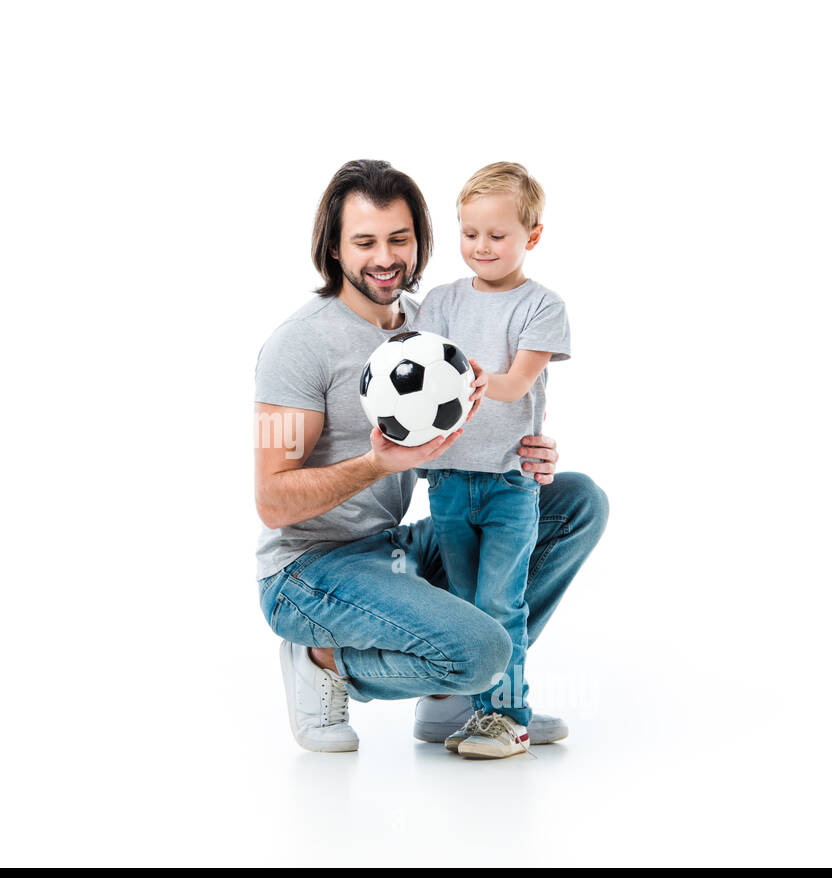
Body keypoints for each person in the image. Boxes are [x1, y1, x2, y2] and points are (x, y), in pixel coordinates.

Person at [254, 159, 607, 754]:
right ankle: (326, 659)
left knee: (576, 502)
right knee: (484, 649)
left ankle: (473, 706)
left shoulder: (432, 326)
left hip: (395, 548)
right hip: (310, 569)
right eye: (364, 241)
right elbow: (270, 501)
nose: (385, 257)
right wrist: (374, 466)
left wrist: (524, 447)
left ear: (421, 240)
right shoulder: (297, 346)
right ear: (334, 250)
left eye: (399, 238)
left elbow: (483, 405)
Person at [415, 162, 570, 759]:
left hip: (509, 484)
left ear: (531, 237)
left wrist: (472, 378)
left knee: (502, 602)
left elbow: (514, 384)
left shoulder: (541, 306)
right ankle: (480, 710)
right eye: (469, 233)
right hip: (449, 482)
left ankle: (508, 719)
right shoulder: (443, 301)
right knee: (464, 606)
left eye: (497, 235)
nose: (481, 247)